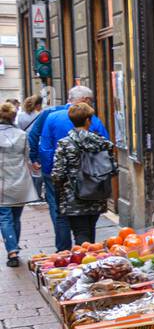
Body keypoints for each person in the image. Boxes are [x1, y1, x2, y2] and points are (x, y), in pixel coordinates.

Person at [29, 85, 106, 253]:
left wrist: (45, 165)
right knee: (88, 215)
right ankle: (86, 248)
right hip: (89, 179)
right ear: (86, 101)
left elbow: (42, 142)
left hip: (59, 176)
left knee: (60, 212)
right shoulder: (95, 122)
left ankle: (63, 249)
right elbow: (106, 152)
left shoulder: (52, 117)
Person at [50, 102, 116, 247]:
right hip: (97, 195)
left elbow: (58, 174)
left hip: (74, 197)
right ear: (88, 120)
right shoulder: (103, 143)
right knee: (89, 230)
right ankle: (90, 258)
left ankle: (85, 263)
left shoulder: (65, 144)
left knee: (81, 233)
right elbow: (113, 169)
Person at [0, 101, 38, 266]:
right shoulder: (22, 135)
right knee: (16, 216)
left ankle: (12, 250)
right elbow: (26, 156)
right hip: (20, 180)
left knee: (4, 217)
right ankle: (13, 246)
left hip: (2, 181)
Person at [15, 96, 43, 201]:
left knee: (28, 168)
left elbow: (18, 130)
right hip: (36, 143)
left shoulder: (21, 116)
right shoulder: (40, 115)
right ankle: (37, 193)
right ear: (37, 105)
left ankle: (29, 193)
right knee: (37, 168)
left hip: (24, 143)